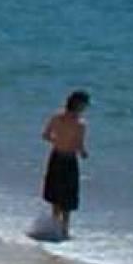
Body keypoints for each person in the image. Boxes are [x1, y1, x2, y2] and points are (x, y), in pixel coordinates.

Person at [38, 89, 90, 239]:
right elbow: (79, 144)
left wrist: (58, 141)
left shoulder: (57, 117)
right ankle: (65, 229)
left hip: (56, 156)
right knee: (68, 195)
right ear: (79, 105)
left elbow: (46, 135)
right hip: (69, 159)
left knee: (55, 193)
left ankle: (55, 226)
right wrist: (83, 153)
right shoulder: (80, 124)